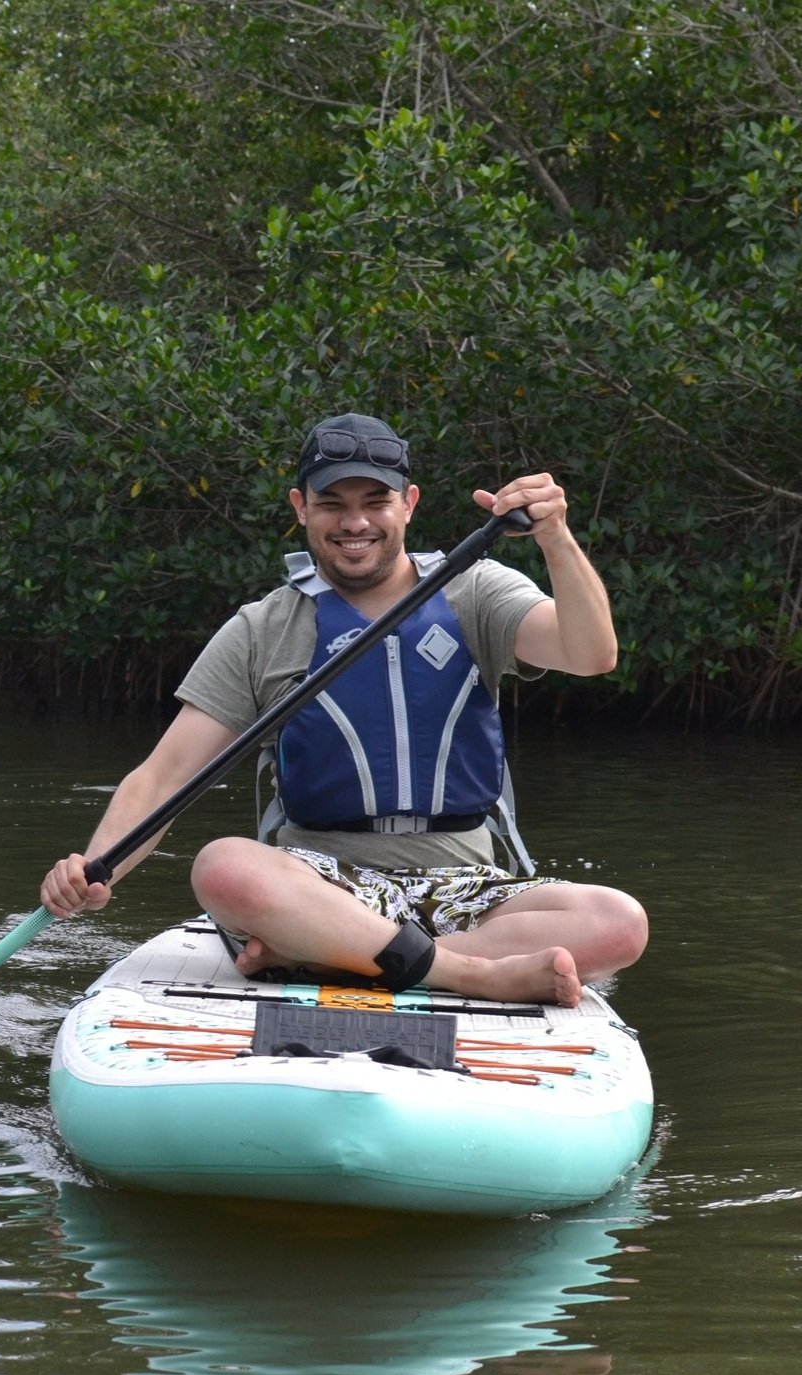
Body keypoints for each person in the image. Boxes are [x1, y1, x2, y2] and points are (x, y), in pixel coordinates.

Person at [40, 412, 648, 1006]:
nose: (354, 522)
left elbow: (592, 654)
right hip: (321, 883)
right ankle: (466, 973)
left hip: (465, 886)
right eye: (331, 503)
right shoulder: (261, 629)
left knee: (620, 921)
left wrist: (555, 537)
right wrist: (96, 870)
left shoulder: (478, 590)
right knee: (222, 866)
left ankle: (342, 956)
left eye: (375, 501)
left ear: (408, 503)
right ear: (301, 508)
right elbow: (164, 775)